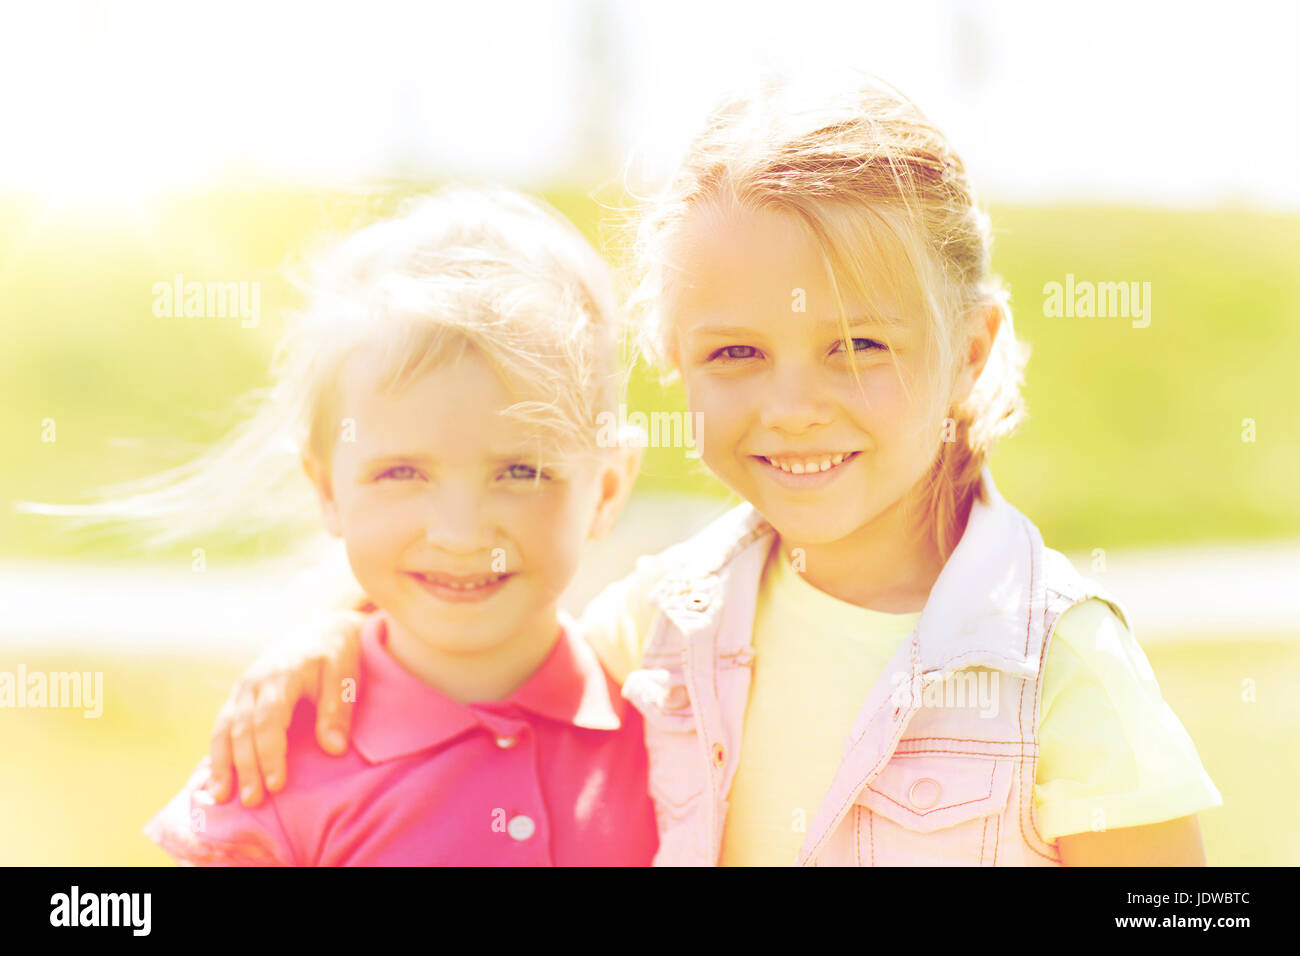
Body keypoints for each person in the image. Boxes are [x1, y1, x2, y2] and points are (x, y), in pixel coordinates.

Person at [204, 73, 1221, 866]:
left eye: (859, 345)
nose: (791, 406)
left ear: (967, 348)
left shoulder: (1059, 663)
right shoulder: (658, 623)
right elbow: (470, 630)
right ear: (675, 357)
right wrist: (336, 639)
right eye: (735, 353)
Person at [137, 186, 657, 864]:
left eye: (522, 472)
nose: (462, 533)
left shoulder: (675, 732)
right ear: (326, 488)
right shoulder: (270, 766)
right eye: (401, 474)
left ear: (607, 488)